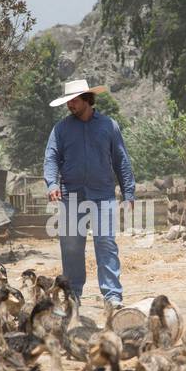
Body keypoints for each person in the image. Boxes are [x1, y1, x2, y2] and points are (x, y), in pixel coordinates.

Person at [43, 78, 136, 311]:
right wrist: (52, 183)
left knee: (105, 243)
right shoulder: (61, 129)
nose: (70, 106)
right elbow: (51, 158)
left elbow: (121, 160)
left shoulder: (109, 126)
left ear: (87, 100)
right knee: (72, 246)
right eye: (68, 102)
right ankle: (73, 294)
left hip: (103, 195)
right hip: (70, 195)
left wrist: (129, 192)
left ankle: (112, 295)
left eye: (74, 101)